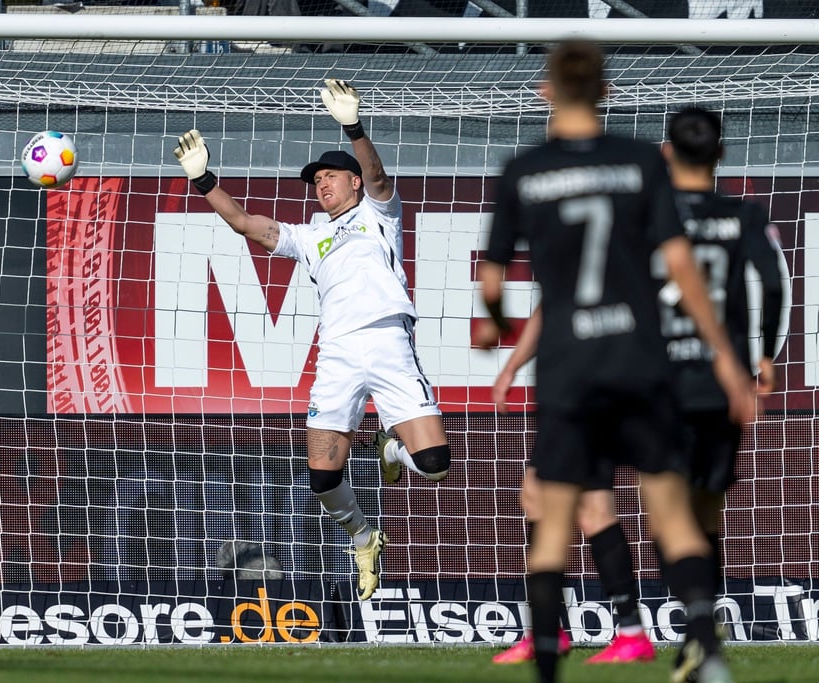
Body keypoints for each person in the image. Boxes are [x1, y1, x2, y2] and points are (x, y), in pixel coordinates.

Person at [474, 40, 755, 683]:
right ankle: (706, 651)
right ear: (604, 91)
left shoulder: (524, 170)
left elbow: (493, 279)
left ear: (547, 91)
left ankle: (550, 666)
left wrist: (493, 327)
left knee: (548, 521)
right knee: (671, 511)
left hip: (572, 371)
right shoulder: (638, 162)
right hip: (638, 359)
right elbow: (679, 263)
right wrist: (727, 360)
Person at [173, 79, 451, 601]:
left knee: (435, 465)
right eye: (316, 180)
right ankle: (365, 538)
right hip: (339, 354)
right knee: (323, 477)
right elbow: (245, 224)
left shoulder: (379, 213)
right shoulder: (311, 235)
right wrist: (204, 180)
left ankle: (390, 446)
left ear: (352, 182)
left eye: (331, 176)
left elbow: (379, 175)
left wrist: (354, 127)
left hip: (389, 341)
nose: (322, 185)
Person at [658, 105, 784, 617]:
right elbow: (772, 283)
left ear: (666, 152)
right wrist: (765, 354)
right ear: (721, 154)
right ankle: (702, 625)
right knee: (708, 509)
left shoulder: (650, 215)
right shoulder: (743, 214)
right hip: (719, 379)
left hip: (660, 380)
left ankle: (694, 622)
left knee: (668, 510)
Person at [489, 307, 655, 666]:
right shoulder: (569, 264)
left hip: (586, 388)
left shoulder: (603, 260)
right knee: (537, 496)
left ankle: (625, 632)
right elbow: (548, 309)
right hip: (573, 386)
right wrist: (512, 367)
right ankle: (554, 630)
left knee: (591, 509)